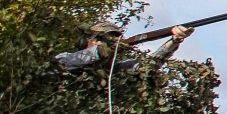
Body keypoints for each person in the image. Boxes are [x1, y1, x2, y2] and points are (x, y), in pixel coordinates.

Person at [53, 17, 193, 70]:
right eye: (103, 40)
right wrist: (102, 51)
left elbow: (149, 67)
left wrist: (174, 41)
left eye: (114, 40)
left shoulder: (115, 71)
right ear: (87, 40)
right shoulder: (65, 58)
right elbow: (78, 59)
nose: (107, 44)